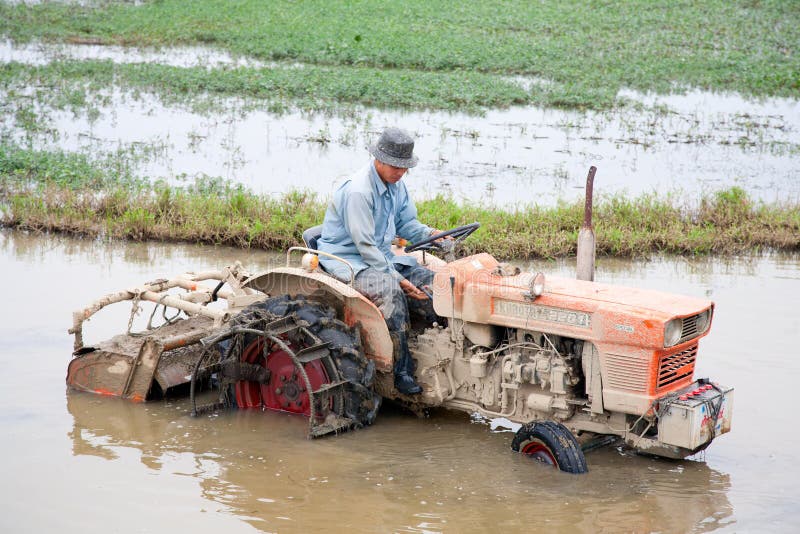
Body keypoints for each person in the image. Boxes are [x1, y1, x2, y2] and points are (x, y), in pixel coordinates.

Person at [317, 127, 441, 395]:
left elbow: (407, 224)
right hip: (349, 260)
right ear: (379, 159)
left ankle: (440, 352)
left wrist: (433, 235)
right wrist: (399, 279)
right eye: (396, 166)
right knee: (391, 291)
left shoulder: (396, 186)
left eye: (404, 167)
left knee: (435, 282)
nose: (400, 172)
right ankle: (400, 371)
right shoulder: (359, 191)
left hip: (381, 255)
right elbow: (365, 247)